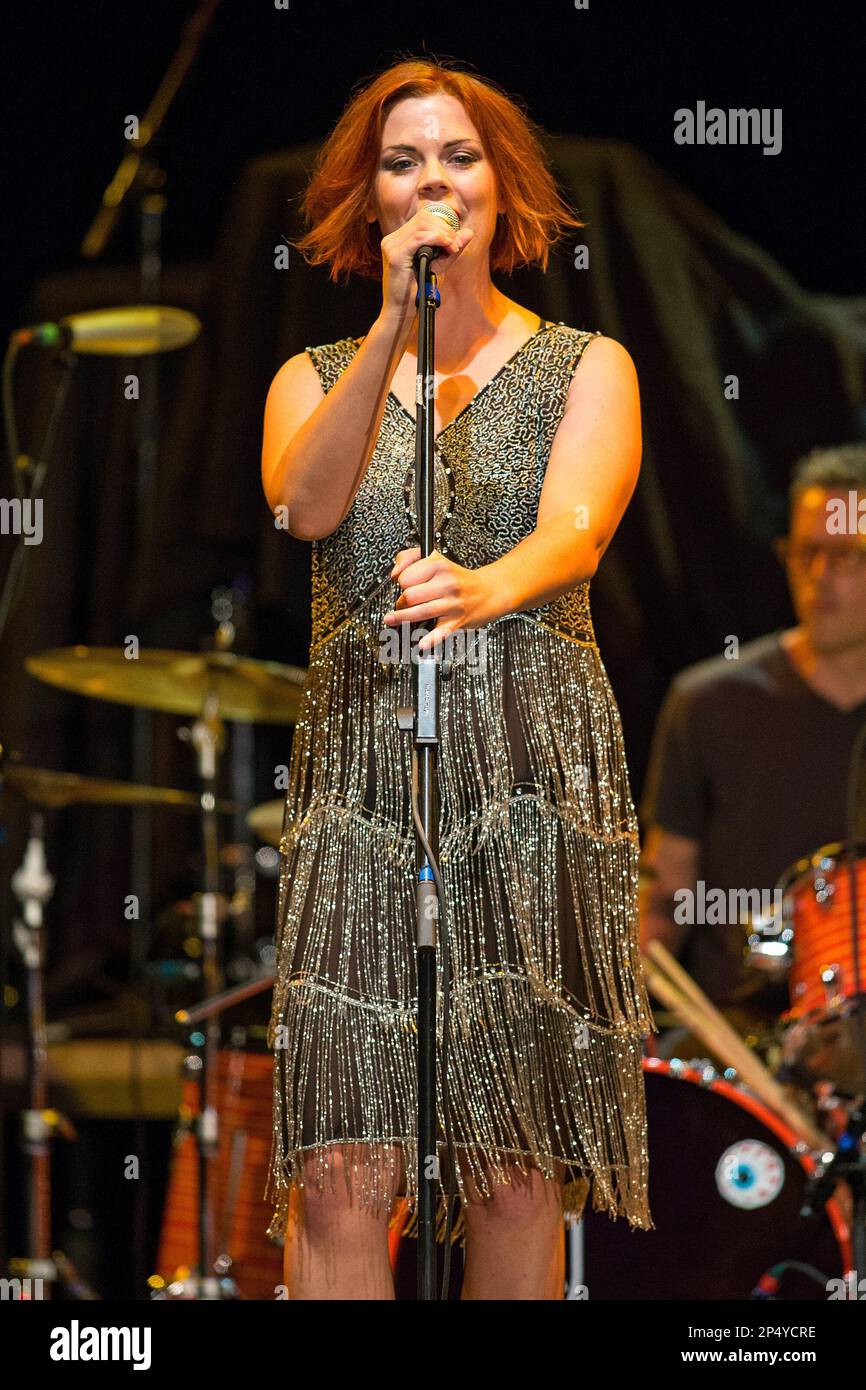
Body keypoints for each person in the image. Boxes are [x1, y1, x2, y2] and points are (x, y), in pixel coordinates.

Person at [261, 57, 652, 1301]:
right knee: (337, 1170)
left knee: (510, 1167)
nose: (433, 179)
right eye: (401, 161)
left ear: (502, 185)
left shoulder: (586, 364)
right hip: (361, 781)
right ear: (366, 201)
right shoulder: (313, 378)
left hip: (528, 778)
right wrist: (391, 325)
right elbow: (305, 506)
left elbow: (576, 531)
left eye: (459, 155)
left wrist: (485, 587)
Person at [639, 443, 866, 1064]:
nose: (820, 577)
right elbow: (662, 897)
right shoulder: (709, 702)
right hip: (742, 1042)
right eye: (805, 552)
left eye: (847, 555)